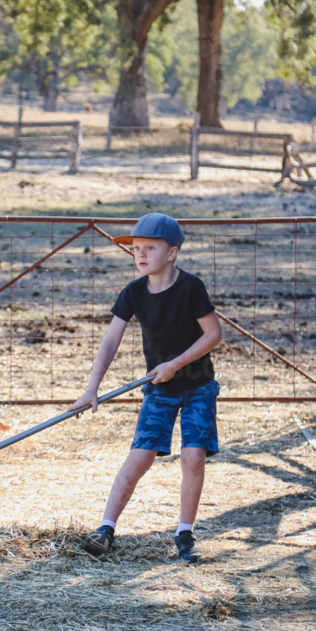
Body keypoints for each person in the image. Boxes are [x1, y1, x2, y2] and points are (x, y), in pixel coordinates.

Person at [67, 213, 222, 563]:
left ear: (172, 253)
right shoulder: (134, 292)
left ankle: (185, 534)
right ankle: (105, 528)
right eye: (136, 248)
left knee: (193, 455)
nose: (140, 254)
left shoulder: (191, 288)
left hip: (197, 386)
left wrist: (174, 364)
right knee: (140, 457)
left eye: (150, 247)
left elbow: (214, 335)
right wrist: (92, 389)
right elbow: (110, 340)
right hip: (160, 389)